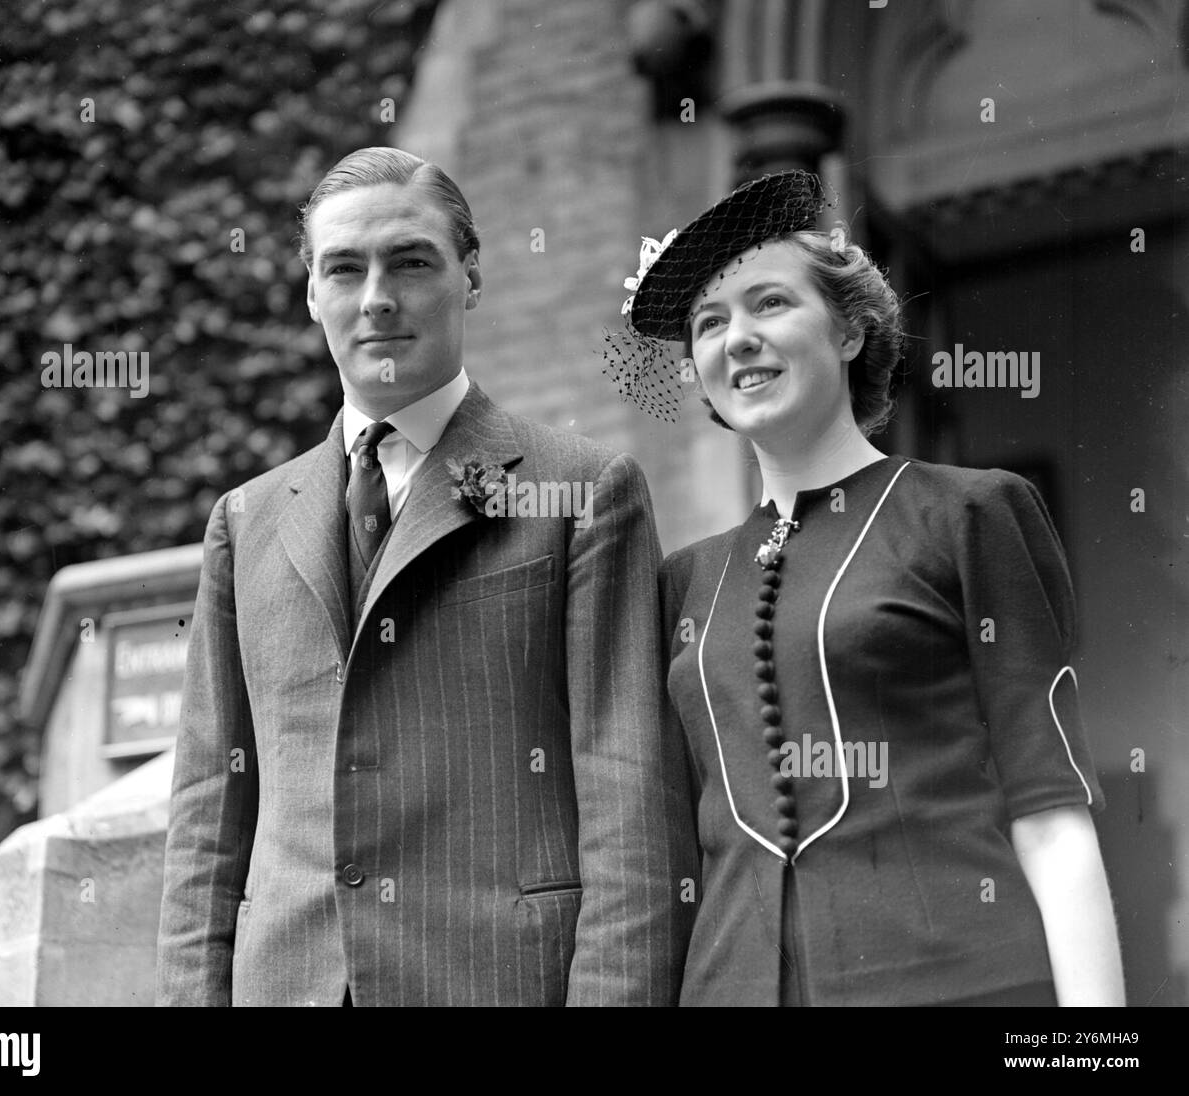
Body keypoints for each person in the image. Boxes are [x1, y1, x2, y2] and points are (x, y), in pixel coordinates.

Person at [156, 146, 697, 1006]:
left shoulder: (582, 489)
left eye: (411, 261)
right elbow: (205, 816)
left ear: (471, 276)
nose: (377, 297)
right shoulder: (246, 520)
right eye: (344, 268)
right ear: (310, 294)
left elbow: (627, 793)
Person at [607, 170, 1124, 1006]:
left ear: (849, 332)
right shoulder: (683, 582)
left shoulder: (969, 514)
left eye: (770, 304)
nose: (736, 339)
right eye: (709, 323)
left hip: (960, 983)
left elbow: (1050, 809)